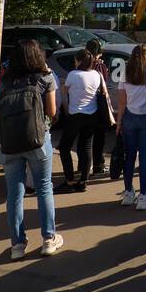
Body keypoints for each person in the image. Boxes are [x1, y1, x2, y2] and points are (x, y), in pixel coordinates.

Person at [0, 39, 62, 259]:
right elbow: (51, 111)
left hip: (10, 144)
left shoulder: (4, 81)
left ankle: (17, 245)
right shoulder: (45, 78)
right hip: (38, 141)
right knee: (44, 188)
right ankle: (49, 239)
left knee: (14, 194)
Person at [57, 49, 105, 193]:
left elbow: (64, 91)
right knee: (86, 147)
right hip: (92, 115)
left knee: (65, 147)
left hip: (76, 115)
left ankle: (70, 179)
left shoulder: (73, 74)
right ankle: (84, 180)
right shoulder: (97, 74)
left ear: (79, 61)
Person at [114, 44, 146, 210]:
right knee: (144, 158)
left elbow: (121, 102)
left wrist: (118, 122)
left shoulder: (125, 73)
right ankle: (144, 195)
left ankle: (129, 192)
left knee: (129, 156)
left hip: (129, 118)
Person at [84, 38, 114, 174]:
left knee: (86, 138)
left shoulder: (82, 64)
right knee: (99, 137)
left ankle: (84, 165)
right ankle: (98, 165)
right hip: (98, 104)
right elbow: (104, 81)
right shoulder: (100, 65)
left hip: (84, 104)